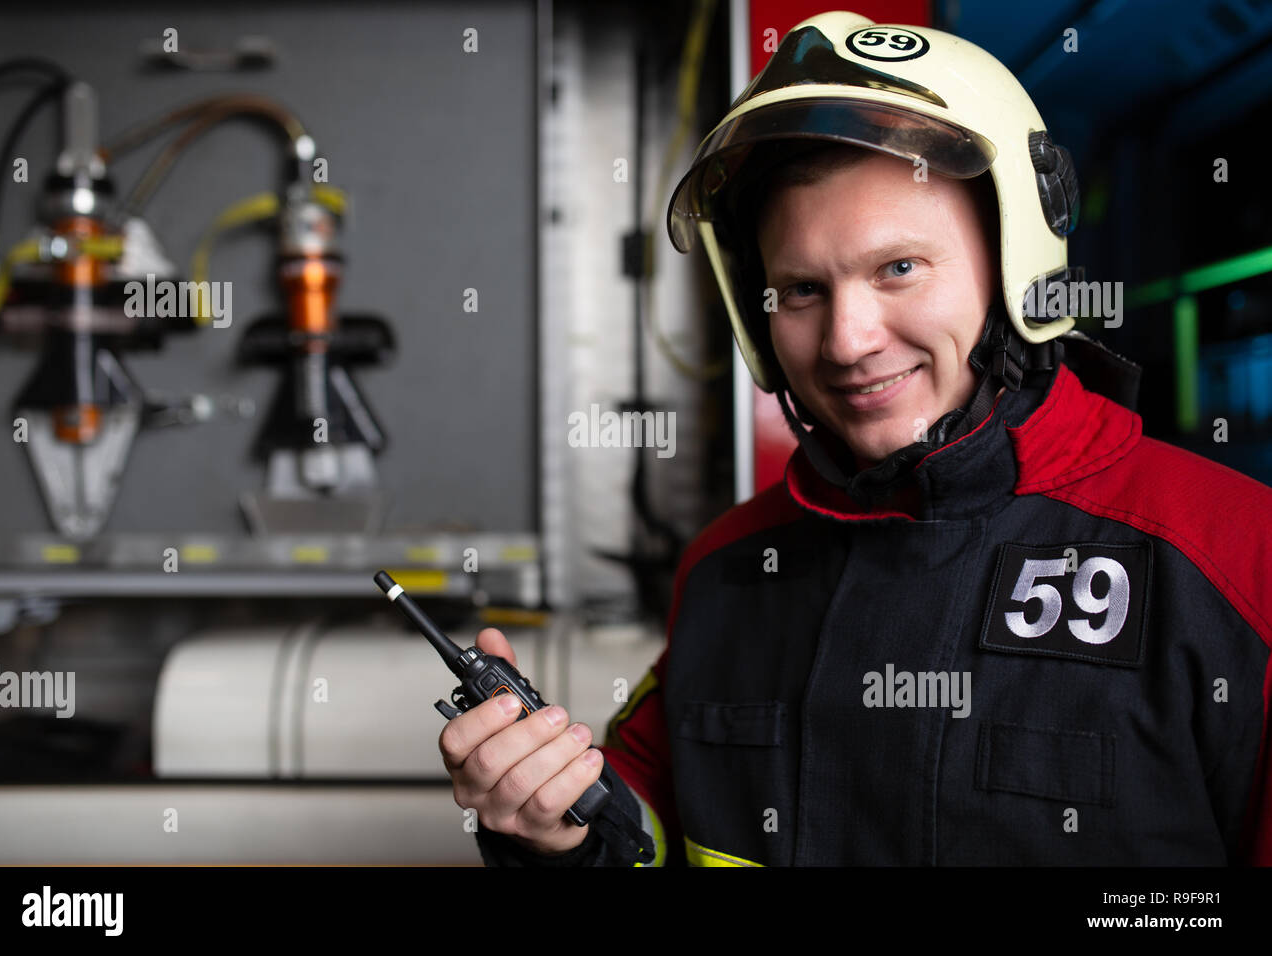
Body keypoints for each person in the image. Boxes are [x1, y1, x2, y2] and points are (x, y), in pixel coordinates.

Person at [440, 10, 1272, 865]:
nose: (846, 341)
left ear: (1017, 259)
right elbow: (641, 830)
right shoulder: (729, 567)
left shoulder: (1238, 561)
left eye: (898, 269)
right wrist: (552, 830)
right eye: (801, 290)